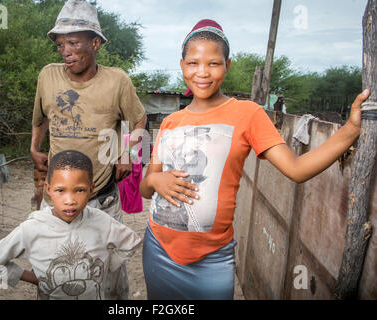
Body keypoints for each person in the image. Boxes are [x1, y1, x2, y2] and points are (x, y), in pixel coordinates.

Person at [139, 19, 370, 300]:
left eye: (213, 63)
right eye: (193, 63)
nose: (202, 72)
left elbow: (296, 169)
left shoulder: (247, 114)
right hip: (158, 247)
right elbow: (146, 189)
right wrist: (155, 178)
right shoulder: (171, 122)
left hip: (211, 257)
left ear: (228, 65)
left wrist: (350, 130)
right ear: (182, 65)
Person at [29, 0, 147, 299]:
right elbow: (40, 118)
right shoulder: (47, 75)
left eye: (73, 43)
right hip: (55, 201)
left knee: (108, 276)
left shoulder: (117, 80)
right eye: (60, 44)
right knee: (52, 273)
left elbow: (139, 119)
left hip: (101, 199)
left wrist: (125, 154)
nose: (65, 51)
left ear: (95, 43)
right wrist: (34, 147)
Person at [0, 150, 142, 300]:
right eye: (60, 190)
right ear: (48, 189)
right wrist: (37, 280)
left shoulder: (102, 221)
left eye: (79, 190)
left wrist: (102, 269)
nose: (70, 200)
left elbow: (131, 242)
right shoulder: (32, 228)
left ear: (91, 190)